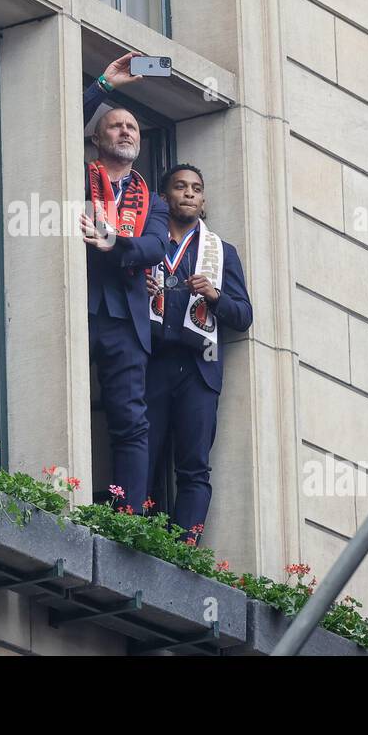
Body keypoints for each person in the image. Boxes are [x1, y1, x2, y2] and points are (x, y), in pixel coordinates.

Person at [79, 52, 169, 512]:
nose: (126, 131)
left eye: (133, 127)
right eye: (116, 125)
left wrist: (116, 244)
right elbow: (48, 117)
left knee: (131, 423)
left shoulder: (151, 199)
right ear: (96, 138)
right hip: (76, 307)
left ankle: (127, 518)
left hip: (127, 321)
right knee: (65, 401)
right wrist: (105, 86)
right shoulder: (76, 175)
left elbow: (155, 246)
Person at [144, 163, 253, 538]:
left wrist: (215, 296)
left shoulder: (221, 252)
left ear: (203, 201)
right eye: (179, 186)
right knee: (143, 453)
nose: (188, 193)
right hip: (150, 364)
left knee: (194, 465)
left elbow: (244, 315)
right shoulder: (148, 243)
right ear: (163, 198)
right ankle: (134, 535)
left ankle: (184, 546)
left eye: (196, 188)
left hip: (198, 369)